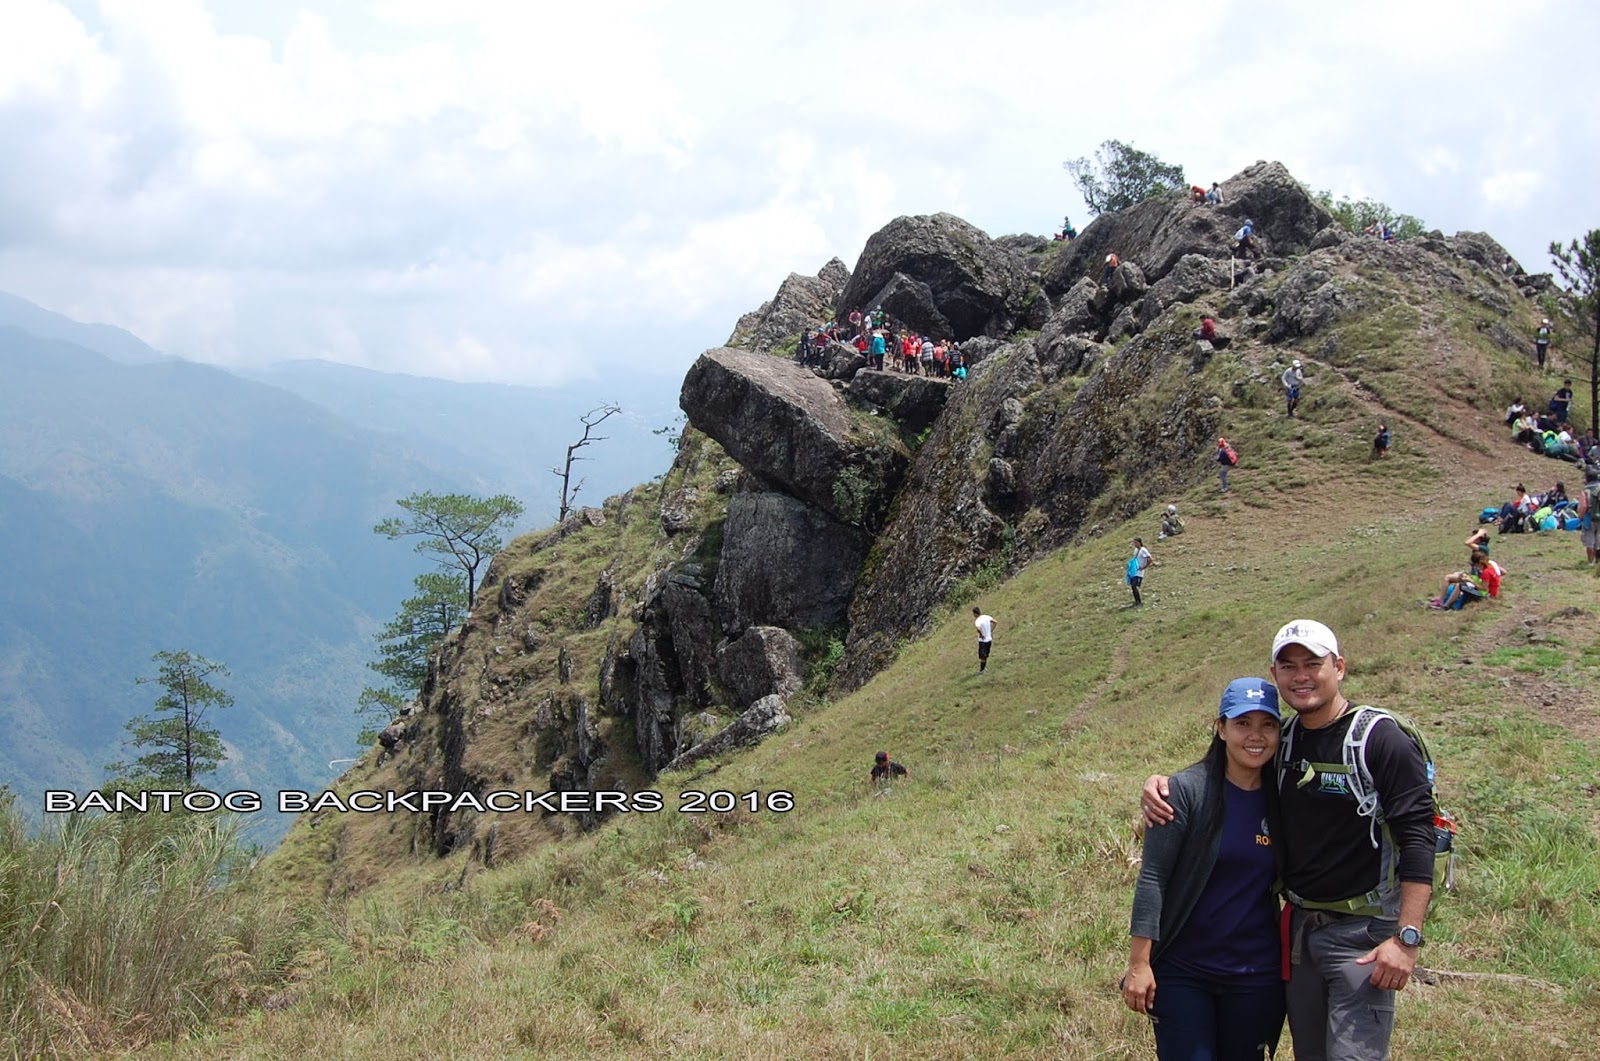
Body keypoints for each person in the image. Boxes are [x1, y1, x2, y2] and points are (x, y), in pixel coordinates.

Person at [1142, 620, 1437, 1061]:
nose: (1301, 675)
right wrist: (1161, 789)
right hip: (1298, 934)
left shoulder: (1379, 739)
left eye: (1313, 663)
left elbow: (1419, 835)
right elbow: (1229, 772)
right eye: (1288, 665)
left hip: (1363, 936)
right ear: (1275, 674)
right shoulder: (1286, 740)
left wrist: (1407, 939)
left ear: (1339, 667)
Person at [1123, 677, 1286, 1061]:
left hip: (1256, 974)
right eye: (1242, 723)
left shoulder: (1285, 797)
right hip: (1184, 971)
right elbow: (1153, 878)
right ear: (1221, 728)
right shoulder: (1184, 792)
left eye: (1267, 724)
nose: (1255, 736)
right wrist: (1139, 963)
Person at [1432, 549, 1499, 609]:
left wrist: (1470, 581)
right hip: (1491, 592)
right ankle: (1445, 603)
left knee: (1460, 586)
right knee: (1462, 585)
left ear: (1478, 563)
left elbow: (1484, 588)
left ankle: (1446, 605)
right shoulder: (1490, 567)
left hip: (1488, 595)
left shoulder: (1486, 572)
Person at [1127, 537, 1153, 606]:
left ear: (1139, 543)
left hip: (1139, 572)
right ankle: (1136, 601)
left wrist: (1144, 567)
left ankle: (1139, 602)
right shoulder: (1135, 550)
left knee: (1135, 585)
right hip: (1134, 570)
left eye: (1136, 543)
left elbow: (1150, 559)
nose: (1134, 544)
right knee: (1132, 586)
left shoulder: (1143, 550)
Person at [972, 606, 996, 673]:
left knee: (982, 656)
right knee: (985, 655)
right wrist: (991, 630)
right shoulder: (987, 617)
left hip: (983, 641)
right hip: (989, 639)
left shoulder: (978, 621)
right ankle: (984, 668)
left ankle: (982, 670)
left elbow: (978, 629)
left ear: (975, 613)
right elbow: (995, 622)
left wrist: (981, 635)